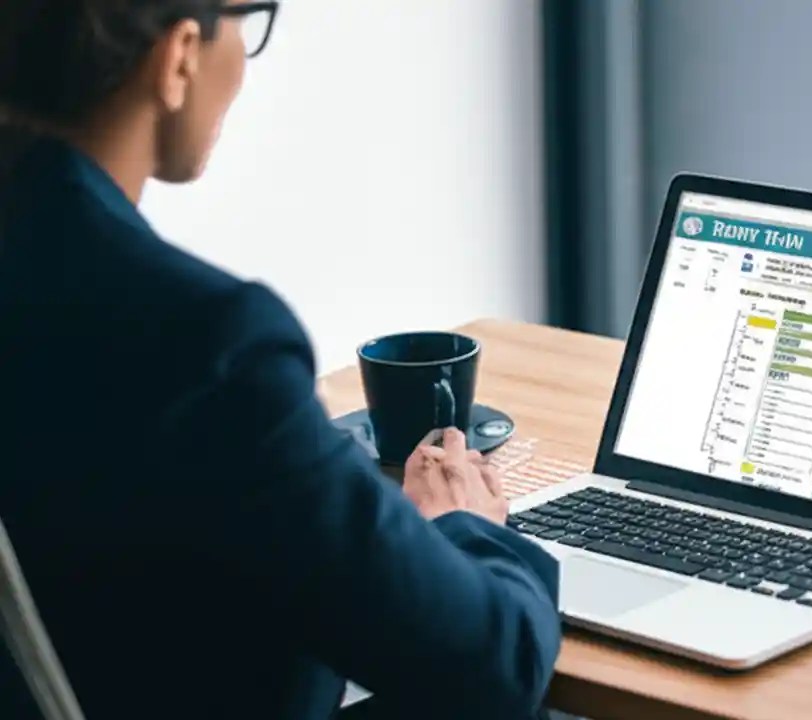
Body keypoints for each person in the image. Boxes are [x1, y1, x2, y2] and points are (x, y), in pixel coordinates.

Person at [0, 2, 561, 719]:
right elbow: (493, 666)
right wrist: (469, 525)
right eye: (243, 18)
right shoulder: (204, 346)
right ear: (177, 58)